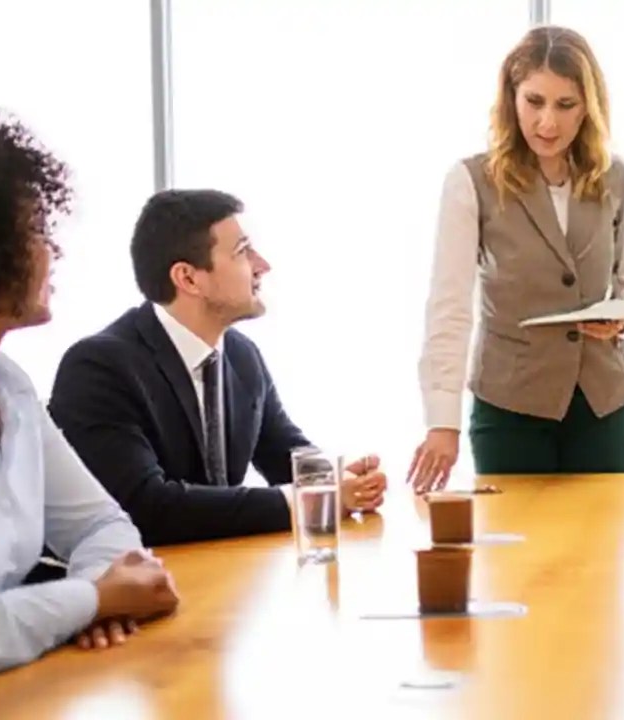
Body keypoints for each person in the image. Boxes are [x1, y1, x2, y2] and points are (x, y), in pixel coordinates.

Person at [0, 111, 179, 685]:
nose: (53, 252)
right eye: (35, 232)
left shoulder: (10, 386)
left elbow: (103, 526)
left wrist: (98, 597)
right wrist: (89, 603)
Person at [48, 189, 387, 546]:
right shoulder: (99, 367)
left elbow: (282, 451)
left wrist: (336, 477)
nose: (262, 265)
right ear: (188, 278)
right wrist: (314, 498)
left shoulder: (242, 356)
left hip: (214, 574)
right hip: (127, 587)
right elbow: (147, 509)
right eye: (242, 252)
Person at [408, 25, 624, 492]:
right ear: (511, 98)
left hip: (606, 404)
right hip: (510, 408)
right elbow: (449, 306)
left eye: (566, 105)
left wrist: (622, 323)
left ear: (589, 107)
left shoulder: (616, 177)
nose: (548, 123)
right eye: (534, 101)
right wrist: (442, 421)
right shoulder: (470, 181)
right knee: (515, 557)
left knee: (598, 555)